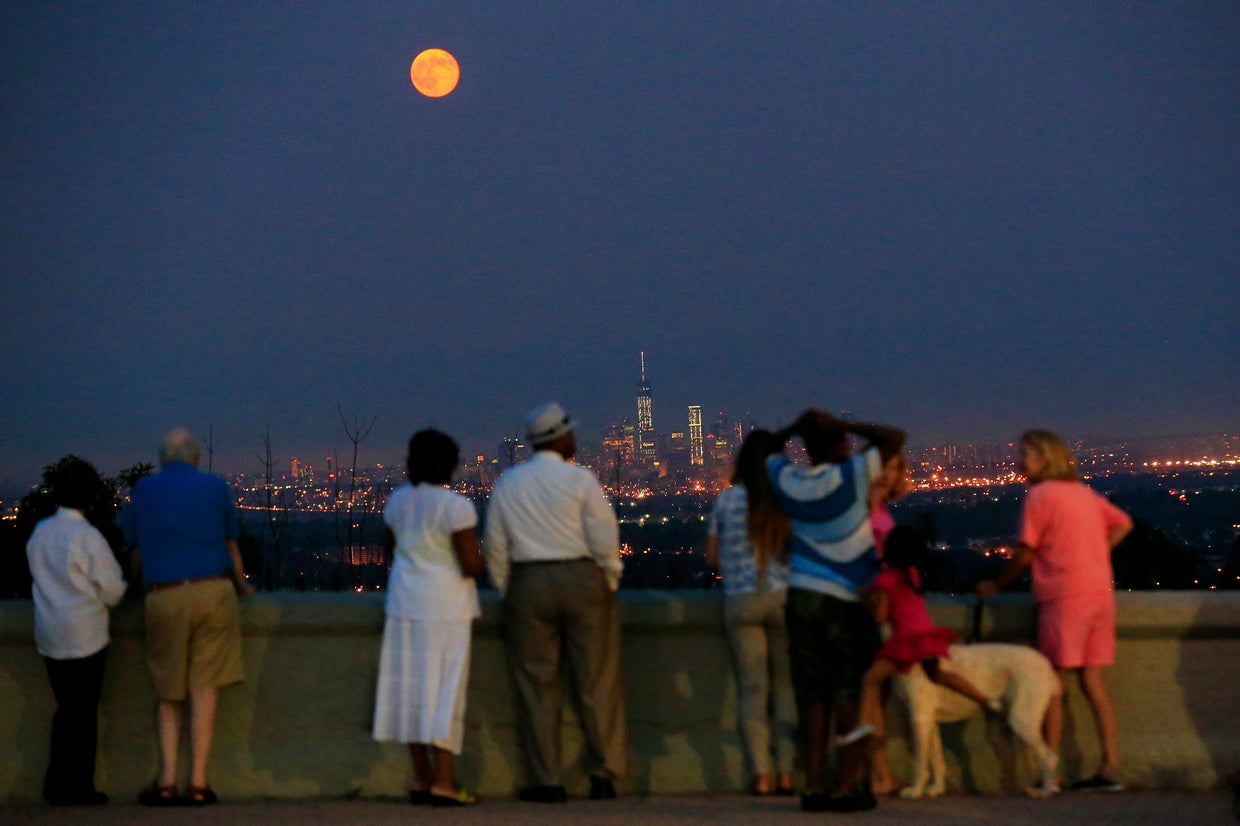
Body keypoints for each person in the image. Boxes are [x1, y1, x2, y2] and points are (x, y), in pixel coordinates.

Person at [483, 402, 625, 803]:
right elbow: (604, 538)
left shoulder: (508, 483)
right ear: (560, 439)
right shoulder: (581, 480)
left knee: (537, 686)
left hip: (528, 582)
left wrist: (509, 589)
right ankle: (603, 774)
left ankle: (547, 780)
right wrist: (608, 579)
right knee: (597, 681)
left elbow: (495, 546)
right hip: (582, 578)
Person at [977, 429, 1132, 793]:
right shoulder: (1082, 492)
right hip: (1099, 594)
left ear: (1044, 459)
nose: (1019, 462)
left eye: (1026, 455)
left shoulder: (1040, 495)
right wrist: (1094, 553)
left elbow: (1025, 552)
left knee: (1051, 684)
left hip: (1064, 597)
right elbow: (1123, 524)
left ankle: (1051, 772)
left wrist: (996, 585)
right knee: (1093, 683)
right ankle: (1110, 766)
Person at [767, 409, 905, 812]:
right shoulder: (853, 475)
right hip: (847, 599)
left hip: (802, 595)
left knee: (811, 695)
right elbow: (893, 436)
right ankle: (846, 785)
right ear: (843, 444)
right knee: (848, 691)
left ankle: (813, 787)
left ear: (806, 448)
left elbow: (765, 450)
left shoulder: (788, 479)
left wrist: (798, 428)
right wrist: (844, 423)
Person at [123, 429, 253, 807]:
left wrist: (135, 586)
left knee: (168, 691)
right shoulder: (216, 486)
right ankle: (198, 782)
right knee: (204, 689)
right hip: (213, 592)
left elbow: (135, 551)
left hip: (164, 595)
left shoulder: (144, 490)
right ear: (196, 458)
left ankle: (166, 781)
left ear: (162, 459)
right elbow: (231, 545)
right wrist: (242, 585)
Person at [372, 429, 486, 807]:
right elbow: (470, 565)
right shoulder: (456, 507)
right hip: (446, 610)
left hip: (403, 607)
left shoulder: (397, 501)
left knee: (410, 694)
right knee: (446, 694)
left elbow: (390, 552)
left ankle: (421, 779)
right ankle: (445, 782)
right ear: (450, 464)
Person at [840, 525, 999, 749]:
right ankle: (985, 699)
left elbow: (880, 617)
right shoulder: (912, 575)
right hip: (925, 637)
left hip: (906, 641)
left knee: (870, 679)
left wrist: (868, 599)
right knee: (938, 674)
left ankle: (864, 723)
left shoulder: (884, 581)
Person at [26, 458, 127, 806]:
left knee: (67, 708)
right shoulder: (87, 536)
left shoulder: (41, 532)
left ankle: (57, 782)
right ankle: (79, 786)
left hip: (49, 632)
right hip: (85, 634)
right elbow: (112, 589)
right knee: (82, 714)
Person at [703, 429, 797, 796]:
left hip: (742, 598)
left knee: (752, 691)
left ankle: (761, 775)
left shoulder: (727, 500)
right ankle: (787, 773)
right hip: (782, 596)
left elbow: (712, 557)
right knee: (786, 688)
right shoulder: (785, 498)